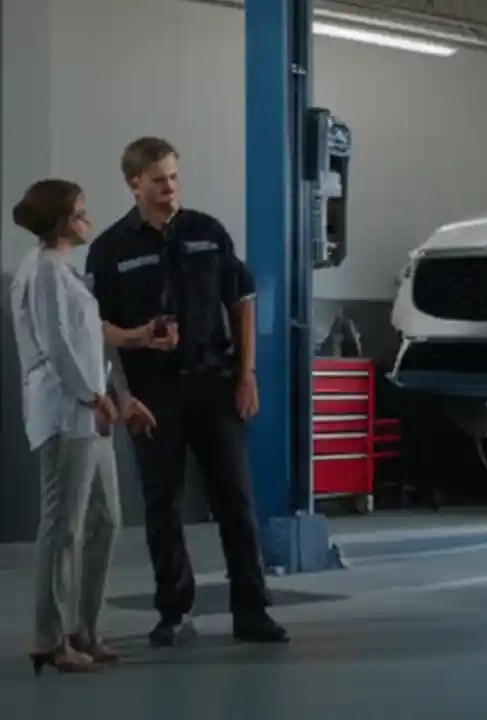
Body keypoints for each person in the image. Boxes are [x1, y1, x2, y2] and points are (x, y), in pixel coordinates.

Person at [85, 137, 289, 646]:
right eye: (158, 180)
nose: (169, 188)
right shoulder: (110, 250)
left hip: (214, 384)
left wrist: (246, 374)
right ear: (134, 184)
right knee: (163, 505)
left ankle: (252, 610)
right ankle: (173, 612)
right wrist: (123, 380)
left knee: (236, 499)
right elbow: (94, 326)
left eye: (174, 177)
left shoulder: (207, 233)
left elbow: (242, 299)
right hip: (151, 394)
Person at [9, 179, 162, 674]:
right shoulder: (43, 272)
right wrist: (94, 398)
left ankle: (84, 628)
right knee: (62, 526)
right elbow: (57, 346)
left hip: (93, 413)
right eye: (79, 212)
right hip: (66, 413)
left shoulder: (66, 272)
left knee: (104, 521)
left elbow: (91, 339)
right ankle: (49, 638)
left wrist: (121, 395)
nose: (87, 219)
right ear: (59, 222)